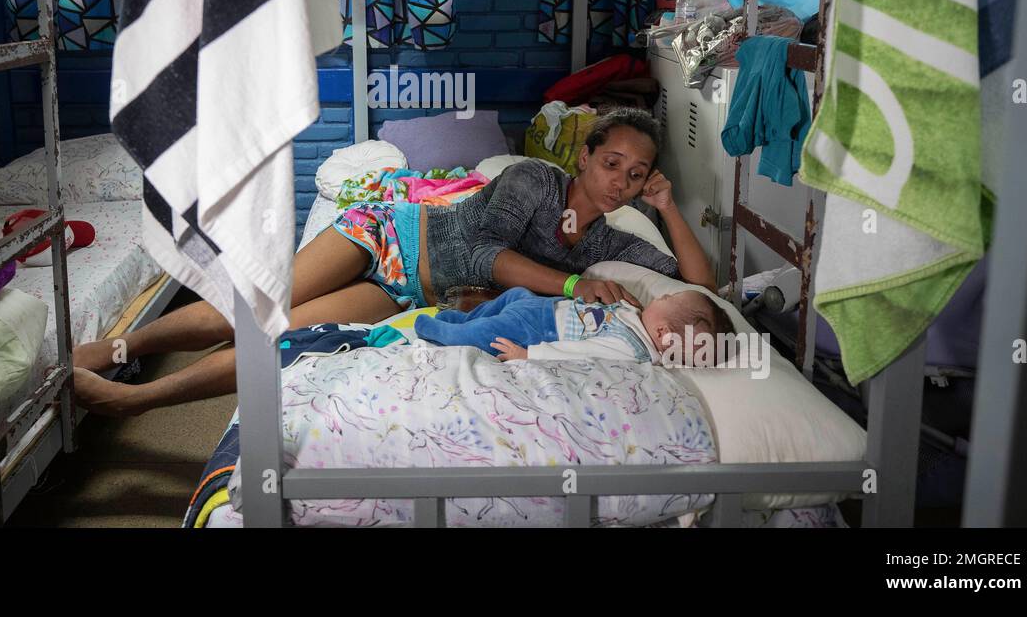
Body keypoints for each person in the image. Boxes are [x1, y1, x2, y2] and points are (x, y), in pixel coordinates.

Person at [72, 107, 715, 415]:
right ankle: (119, 347)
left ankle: (137, 400)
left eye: (635, 176)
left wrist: (668, 206)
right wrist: (572, 285)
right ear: (585, 157)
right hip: (389, 234)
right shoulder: (531, 180)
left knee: (279, 340)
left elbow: (700, 286)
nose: (619, 182)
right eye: (612, 164)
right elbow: (485, 255)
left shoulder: (607, 242)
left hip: (408, 294)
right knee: (255, 306)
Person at [413, 284, 734, 365]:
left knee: (486, 334)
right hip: (543, 306)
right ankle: (462, 318)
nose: (661, 295)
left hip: (538, 330)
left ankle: (441, 331)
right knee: (507, 300)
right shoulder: (637, 319)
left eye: (668, 297)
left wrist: (529, 355)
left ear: (662, 332)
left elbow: (580, 354)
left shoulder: (629, 347)